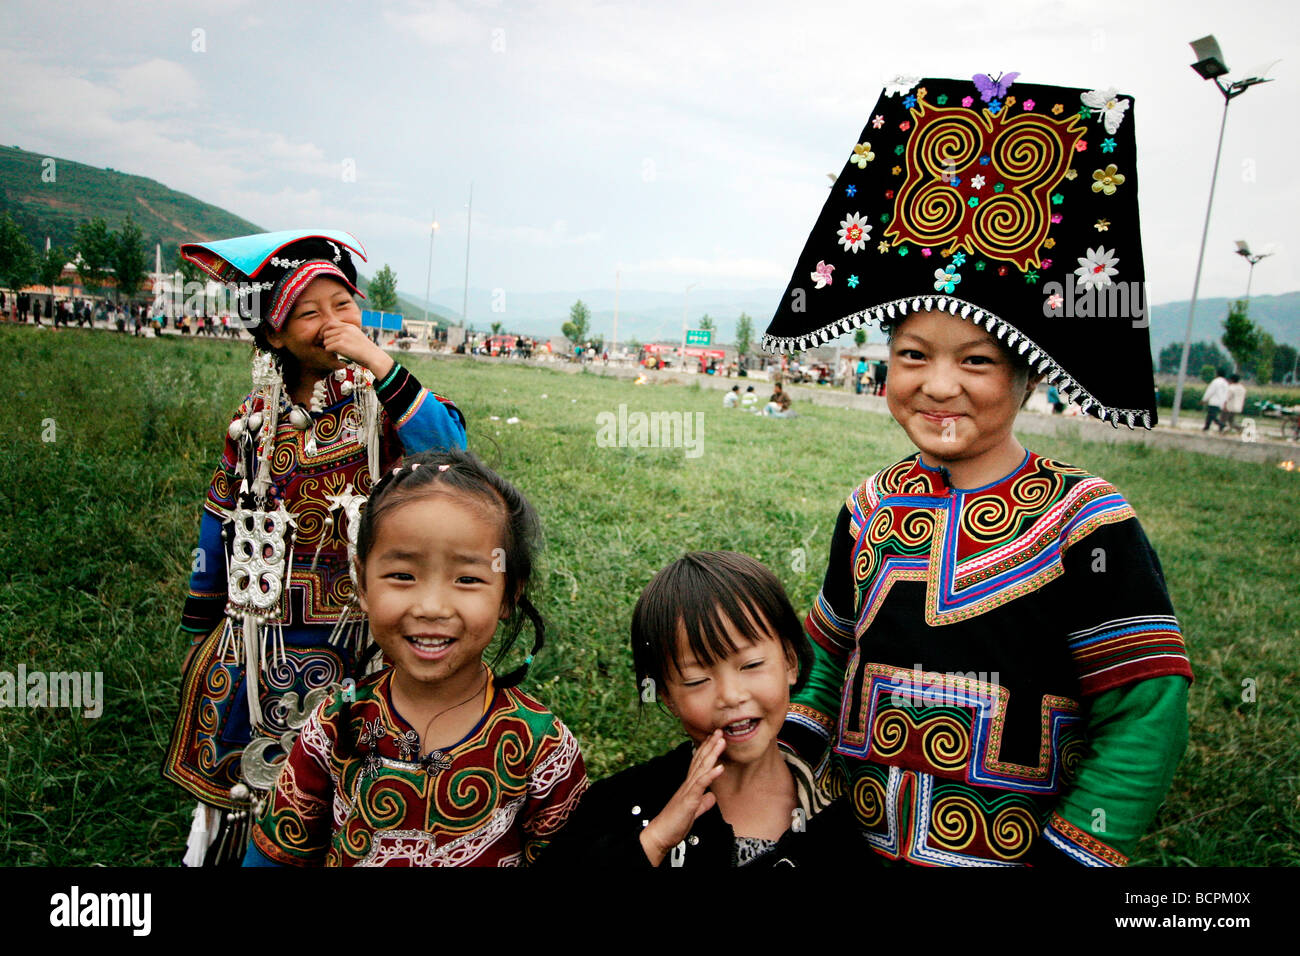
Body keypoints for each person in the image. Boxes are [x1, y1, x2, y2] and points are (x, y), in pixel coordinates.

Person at [761, 75, 1192, 866]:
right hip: (858, 847)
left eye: (978, 361)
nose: (939, 384)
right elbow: (826, 659)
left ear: (1030, 377)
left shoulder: (1086, 520)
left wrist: (1076, 853)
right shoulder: (870, 505)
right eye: (912, 356)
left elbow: (1144, 711)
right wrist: (784, 763)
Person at [163, 229, 469, 866]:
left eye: (344, 305)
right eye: (308, 312)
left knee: (360, 778)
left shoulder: (384, 412)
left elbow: (453, 453)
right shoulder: (252, 424)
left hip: (363, 634)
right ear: (274, 333)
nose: (332, 322)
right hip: (262, 636)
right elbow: (219, 521)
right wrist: (202, 620)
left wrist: (380, 364)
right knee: (255, 780)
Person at [243, 449, 588, 866]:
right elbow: (279, 855)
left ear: (509, 594)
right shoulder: (338, 722)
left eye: (467, 578)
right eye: (403, 575)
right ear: (363, 583)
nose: (431, 607)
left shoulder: (542, 748)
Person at [541, 552, 862, 869]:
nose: (731, 696)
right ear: (666, 694)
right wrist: (653, 841)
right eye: (697, 680)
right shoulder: (619, 803)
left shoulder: (836, 823)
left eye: (751, 664)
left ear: (790, 662)